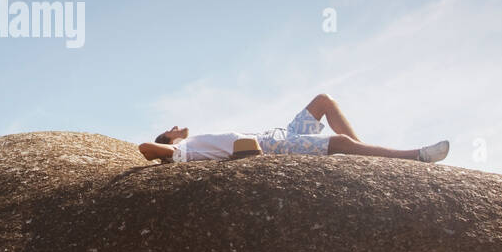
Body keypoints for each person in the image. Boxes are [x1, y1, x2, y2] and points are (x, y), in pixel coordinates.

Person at [137, 93, 449, 163]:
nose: (177, 127)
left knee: (323, 102)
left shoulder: (193, 143)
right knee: (338, 141)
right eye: (171, 128)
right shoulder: (183, 149)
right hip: (274, 148)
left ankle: (365, 155)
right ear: (169, 138)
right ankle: (415, 156)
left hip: (280, 134)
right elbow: (146, 149)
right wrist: (160, 150)